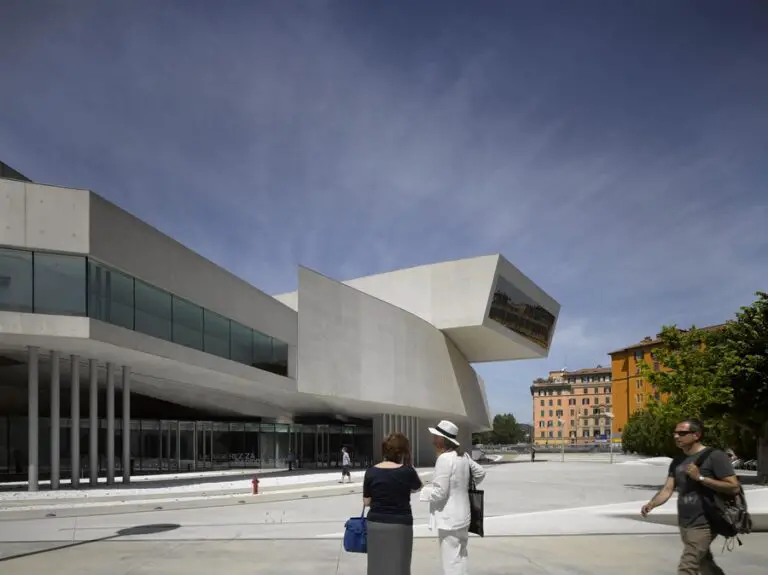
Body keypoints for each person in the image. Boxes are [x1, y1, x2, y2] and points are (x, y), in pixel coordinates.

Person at [640, 418, 741, 575]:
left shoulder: (715, 456)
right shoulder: (678, 461)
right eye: (675, 433)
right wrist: (652, 504)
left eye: (682, 433)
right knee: (704, 563)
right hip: (686, 522)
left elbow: (733, 486)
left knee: (688, 566)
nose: (676, 436)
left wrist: (700, 478)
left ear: (696, 435)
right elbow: (668, 489)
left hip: (706, 522)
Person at [424, 419, 486, 575]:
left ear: (442, 440)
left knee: (450, 562)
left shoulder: (444, 459)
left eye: (436, 437)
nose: (433, 441)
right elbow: (480, 472)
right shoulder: (463, 456)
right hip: (464, 516)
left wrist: (422, 490)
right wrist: (464, 486)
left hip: (449, 520)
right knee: (461, 556)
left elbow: (439, 492)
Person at [363, 432, 423, 575]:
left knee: (376, 566)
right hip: (400, 525)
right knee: (399, 566)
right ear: (403, 452)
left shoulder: (371, 471)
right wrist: (409, 464)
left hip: (376, 523)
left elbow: (366, 502)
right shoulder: (407, 471)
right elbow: (418, 487)